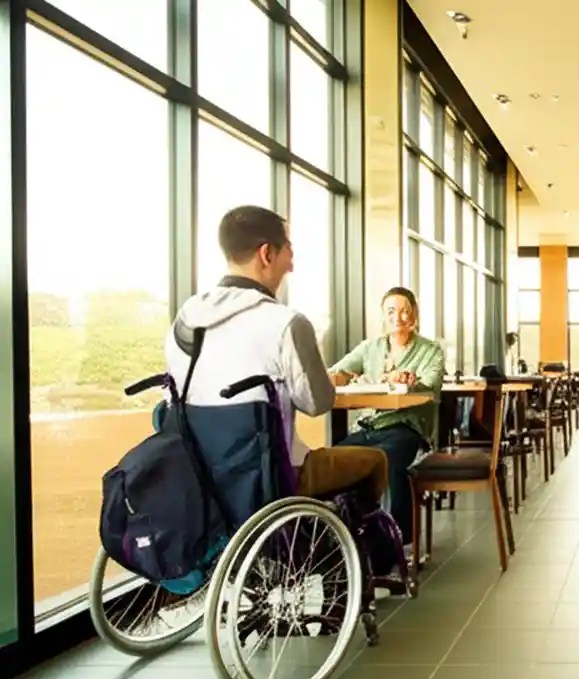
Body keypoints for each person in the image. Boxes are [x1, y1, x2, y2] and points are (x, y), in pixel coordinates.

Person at [165, 205, 387, 505]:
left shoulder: (184, 322)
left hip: (198, 477)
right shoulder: (285, 323)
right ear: (266, 254)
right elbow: (318, 403)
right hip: (271, 476)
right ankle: (344, 534)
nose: (291, 265)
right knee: (374, 461)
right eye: (289, 251)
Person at [329, 287, 445, 537]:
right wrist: (335, 378)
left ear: (414, 314)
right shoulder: (370, 347)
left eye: (404, 311)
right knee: (333, 460)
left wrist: (410, 381)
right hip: (368, 427)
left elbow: (431, 384)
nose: (397, 317)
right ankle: (347, 533)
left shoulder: (430, 350)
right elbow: (338, 372)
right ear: (383, 315)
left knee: (388, 460)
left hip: (406, 428)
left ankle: (400, 538)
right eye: (391, 311)